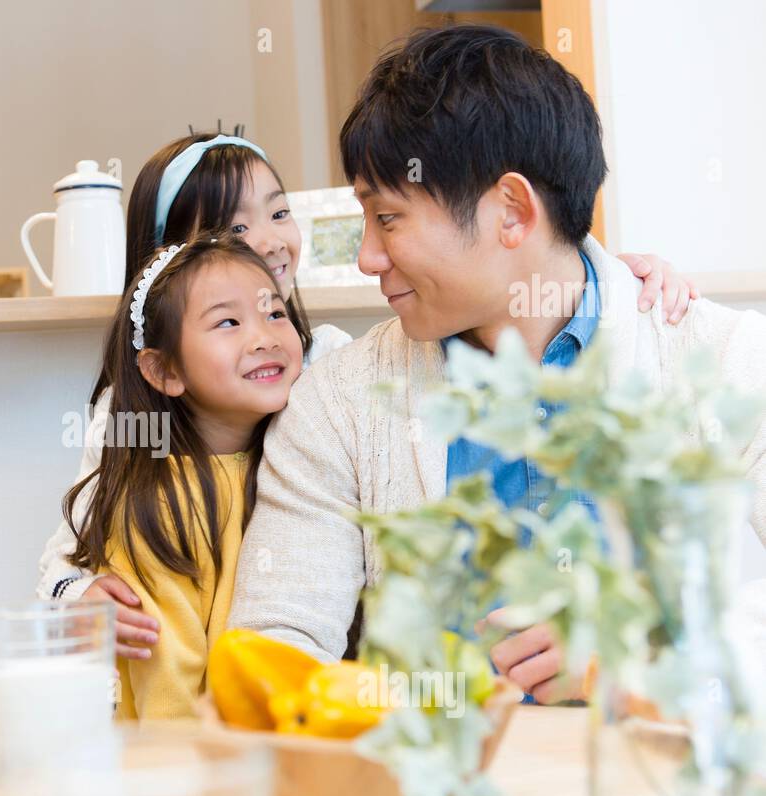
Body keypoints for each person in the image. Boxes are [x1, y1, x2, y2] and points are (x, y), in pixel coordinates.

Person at [227, 25, 766, 704]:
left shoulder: (722, 359)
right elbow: (273, 653)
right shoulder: (337, 401)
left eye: (388, 218)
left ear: (511, 211)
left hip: (649, 790)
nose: (367, 257)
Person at [35, 131, 691, 664]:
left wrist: (604, 277)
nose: (269, 241)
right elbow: (68, 553)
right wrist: (78, 595)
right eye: (234, 234)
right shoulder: (132, 419)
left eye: (280, 212)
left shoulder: (324, 366)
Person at [64, 233, 304, 718]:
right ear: (165, 371)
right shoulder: (157, 507)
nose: (265, 336)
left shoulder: (304, 461)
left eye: (275, 312)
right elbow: (168, 693)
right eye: (228, 322)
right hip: (195, 770)